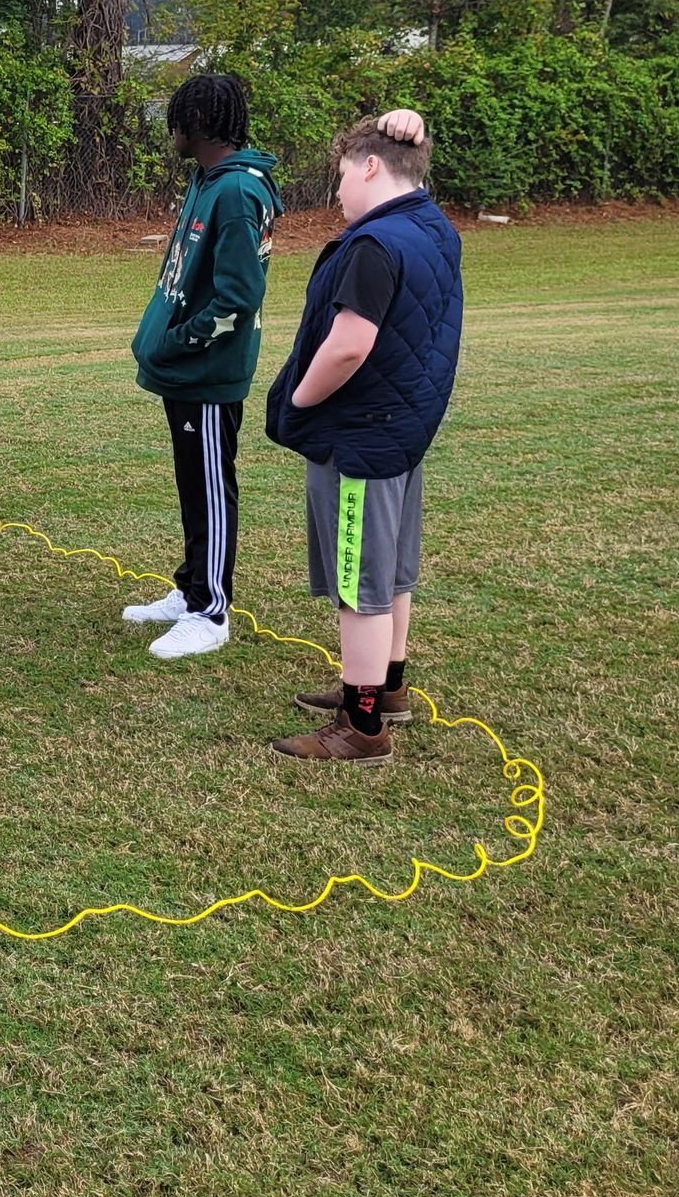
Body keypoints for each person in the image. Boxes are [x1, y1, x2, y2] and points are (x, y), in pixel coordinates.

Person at [265, 111, 460, 763]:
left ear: (371, 167)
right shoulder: (430, 224)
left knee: (360, 584)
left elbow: (348, 346)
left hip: (361, 439)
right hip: (402, 433)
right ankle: (387, 687)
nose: (338, 191)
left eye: (342, 174)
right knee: (390, 572)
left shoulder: (373, 246)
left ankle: (362, 725)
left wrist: (299, 397)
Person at [121, 74, 284, 660]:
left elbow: (237, 299)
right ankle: (190, 587)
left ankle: (211, 611)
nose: (168, 134)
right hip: (183, 370)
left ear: (195, 125)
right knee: (193, 483)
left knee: (212, 487)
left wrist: (175, 343)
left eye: (174, 122)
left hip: (207, 372)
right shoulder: (206, 180)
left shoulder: (239, 193)